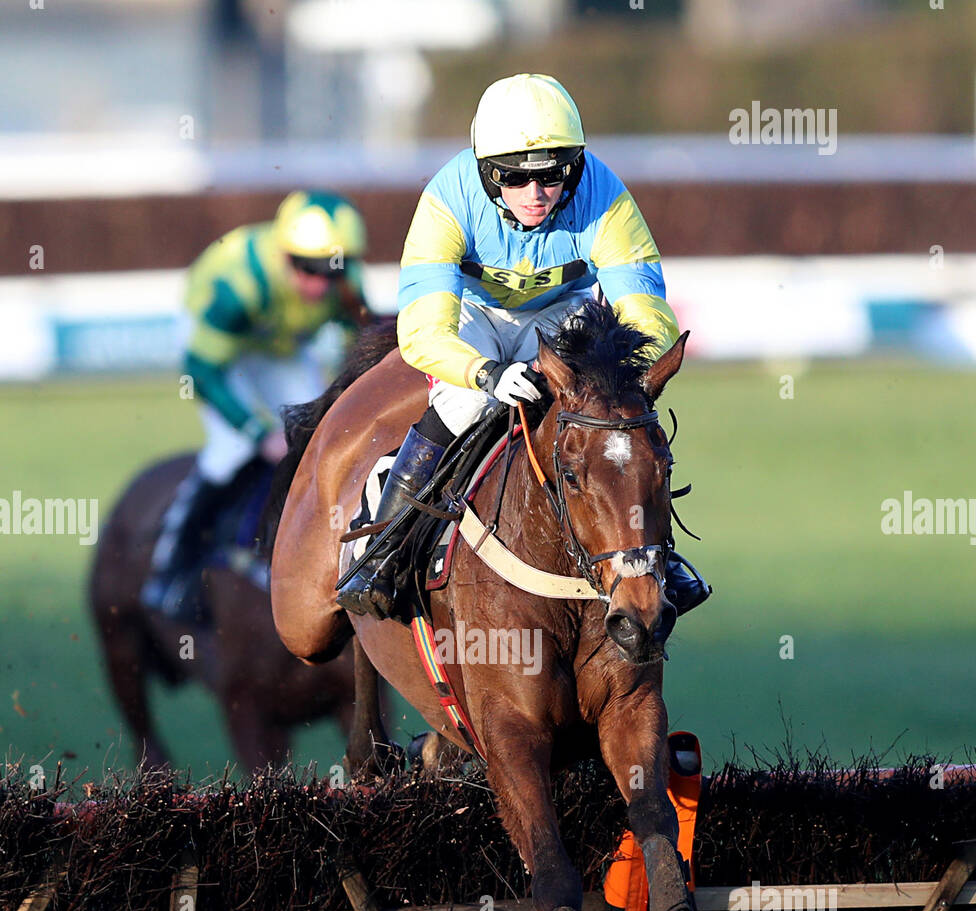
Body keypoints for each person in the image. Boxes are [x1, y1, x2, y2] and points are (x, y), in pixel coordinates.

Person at [337, 72, 710, 622]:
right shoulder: (446, 200)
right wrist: (485, 374)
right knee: (465, 404)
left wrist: (621, 375)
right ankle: (383, 549)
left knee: (609, 417)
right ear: (487, 174)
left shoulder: (605, 195)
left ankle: (654, 558)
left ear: (574, 167)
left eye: (553, 176)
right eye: (514, 178)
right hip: (476, 313)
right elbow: (421, 332)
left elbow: (646, 311)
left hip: (566, 316)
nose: (536, 194)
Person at [142, 190, 371, 619]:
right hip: (219, 349)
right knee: (233, 450)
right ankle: (170, 569)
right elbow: (200, 371)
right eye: (306, 268)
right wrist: (256, 432)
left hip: (280, 346)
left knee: (321, 434)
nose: (320, 284)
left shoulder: (344, 278)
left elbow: (355, 335)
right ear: (285, 256)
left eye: (330, 270)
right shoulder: (238, 288)